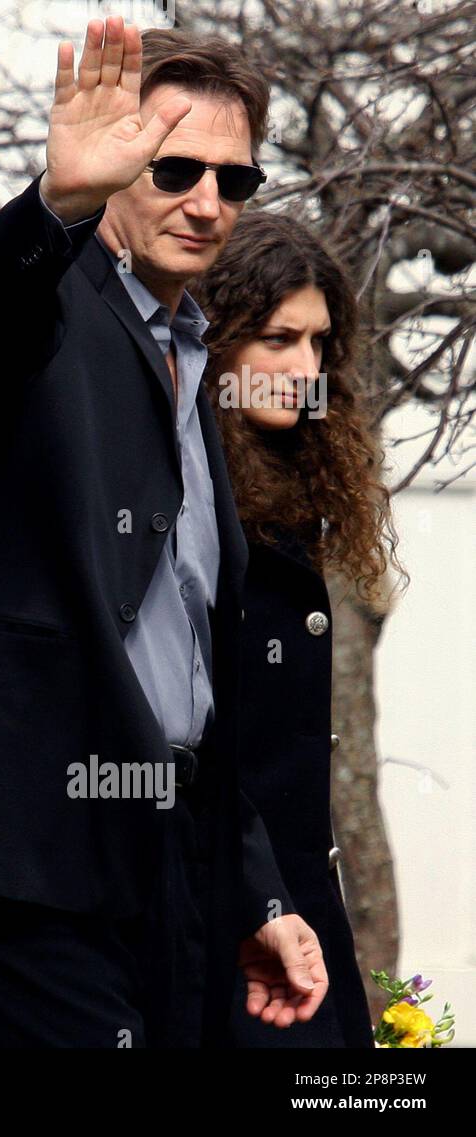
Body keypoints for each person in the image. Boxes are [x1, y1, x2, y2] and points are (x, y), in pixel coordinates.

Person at [0, 18, 327, 1047]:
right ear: (117, 165)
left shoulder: (190, 356)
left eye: (234, 179)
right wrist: (57, 202)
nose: (206, 202)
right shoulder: (46, 309)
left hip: (171, 865)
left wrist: (256, 893)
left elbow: (187, 679)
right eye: (172, 168)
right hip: (21, 867)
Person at [194, 210, 402, 1047]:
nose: (304, 369)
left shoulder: (296, 486)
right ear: (217, 342)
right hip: (225, 908)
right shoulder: (189, 493)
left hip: (300, 898)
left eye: (319, 344)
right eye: (278, 340)